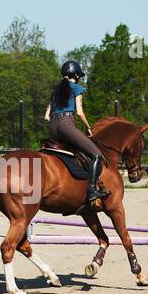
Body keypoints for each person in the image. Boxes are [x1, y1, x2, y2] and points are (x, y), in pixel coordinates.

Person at [44, 59, 108, 206]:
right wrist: (88, 127)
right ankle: (92, 190)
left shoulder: (56, 90)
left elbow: (46, 116)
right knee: (97, 154)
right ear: (77, 75)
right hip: (67, 125)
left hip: (53, 127)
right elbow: (79, 112)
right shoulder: (77, 88)